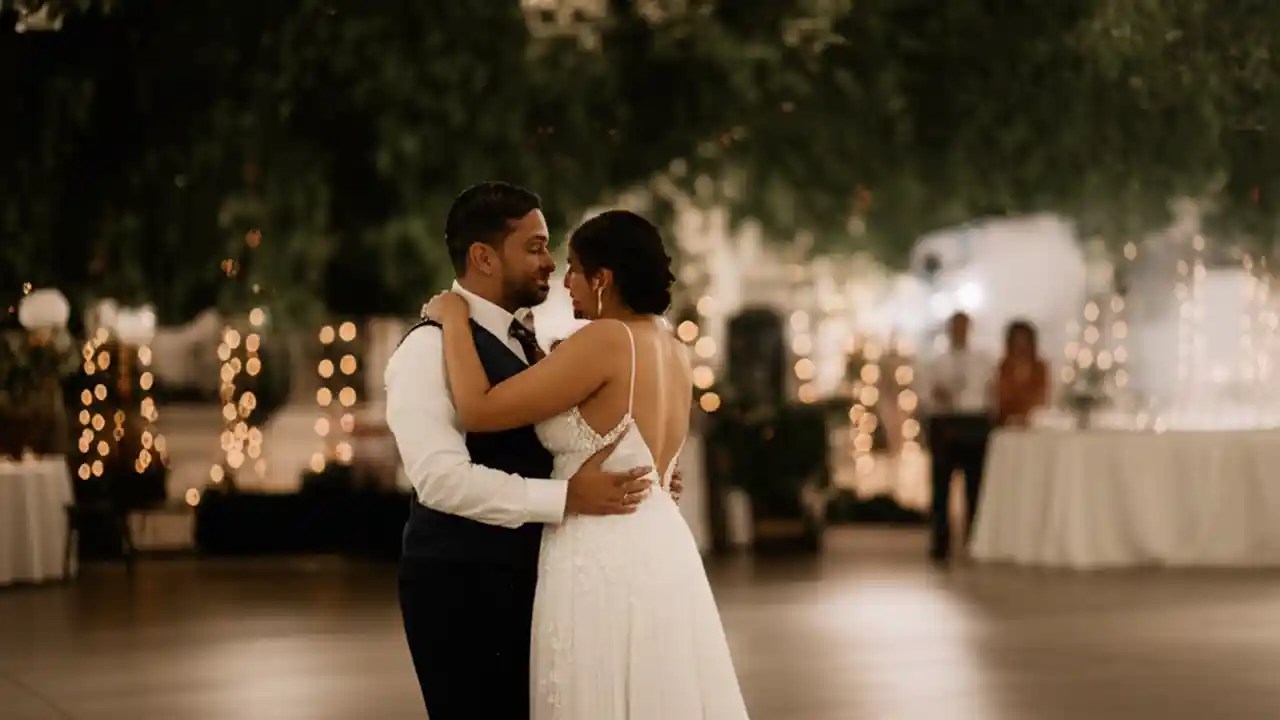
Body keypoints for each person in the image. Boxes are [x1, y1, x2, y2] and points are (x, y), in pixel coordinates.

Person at [424, 209, 750, 719]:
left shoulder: (606, 340)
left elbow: (478, 409)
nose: (564, 280)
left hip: (600, 548)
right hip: (662, 543)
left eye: (574, 268)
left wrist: (454, 320)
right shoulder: (673, 347)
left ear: (604, 279)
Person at [385, 183, 682, 719]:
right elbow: (440, 481)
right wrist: (565, 497)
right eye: (537, 247)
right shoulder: (428, 348)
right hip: (464, 586)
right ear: (483, 257)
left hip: (544, 581)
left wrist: (629, 469)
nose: (550, 264)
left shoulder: (537, 346)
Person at [921, 311, 994, 562]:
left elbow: (990, 392)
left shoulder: (983, 360)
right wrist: (936, 396)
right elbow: (924, 393)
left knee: (975, 486)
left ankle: (973, 540)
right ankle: (940, 542)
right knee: (941, 487)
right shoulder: (936, 362)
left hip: (973, 423)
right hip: (945, 423)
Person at [995, 320, 1048, 427]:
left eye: (1025, 341)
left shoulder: (1039, 367)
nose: (1021, 346)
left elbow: (1041, 398)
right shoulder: (1004, 367)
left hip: (1034, 424)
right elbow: (1001, 398)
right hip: (1006, 425)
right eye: (1017, 341)